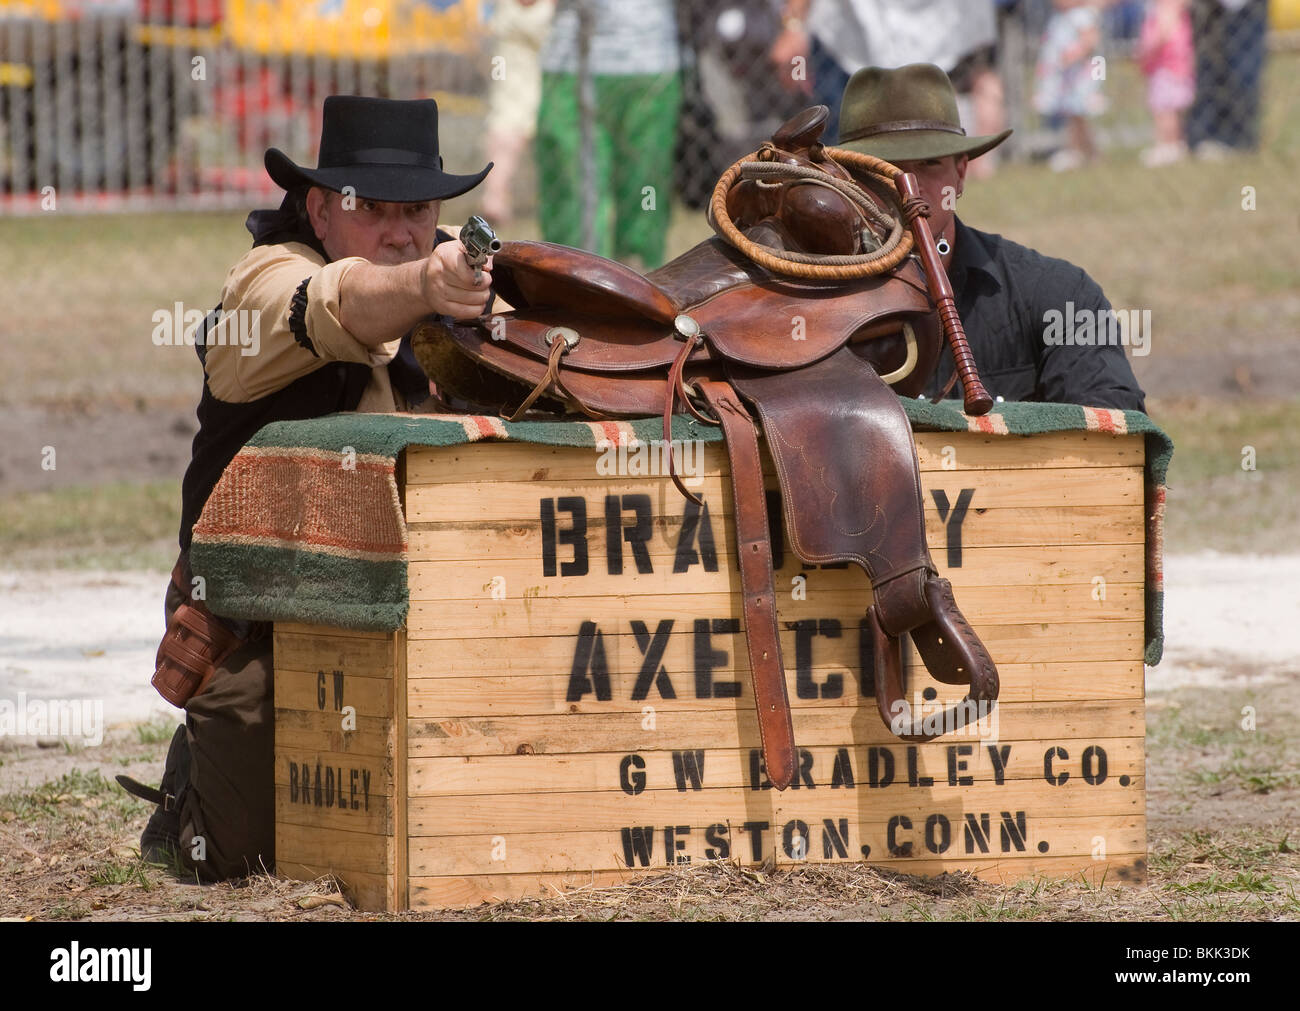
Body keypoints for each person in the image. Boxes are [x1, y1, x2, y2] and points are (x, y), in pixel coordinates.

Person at [121, 96, 494, 881]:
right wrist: (427, 281)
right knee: (246, 852)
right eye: (372, 209)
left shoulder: (451, 267)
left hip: (419, 605)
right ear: (320, 210)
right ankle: (191, 782)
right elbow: (340, 302)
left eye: (417, 211)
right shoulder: (265, 282)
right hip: (272, 618)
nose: (399, 231)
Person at [836, 63, 1145, 411]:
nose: (908, 188)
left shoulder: (1060, 296)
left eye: (928, 163)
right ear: (844, 181)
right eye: (882, 168)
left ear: (960, 173)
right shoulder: (802, 303)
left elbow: (1114, 424)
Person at [535, 0, 681, 268]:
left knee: (644, 192)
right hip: (571, 63)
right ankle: (571, 280)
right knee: (572, 194)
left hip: (650, 63)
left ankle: (640, 284)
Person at [1033, 0, 1105, 172]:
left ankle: (1077, 151)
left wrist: (1073, 55)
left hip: (1079, 77)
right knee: (1073, 115)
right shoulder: (1059, 18)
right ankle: (1087, 152)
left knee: (1077, 114)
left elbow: (1090, 40)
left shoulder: (1081, 15)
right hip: (1065, 78)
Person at [1137, 0, 1195, 167]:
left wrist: (1145, 51)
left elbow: (1160, 37)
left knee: (1164, 110)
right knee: (1170, 110)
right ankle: (1173, 143)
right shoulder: (1171, 10)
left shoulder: (1166, 10)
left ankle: (1167, 145)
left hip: (1166, 69)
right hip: (1173, 69)